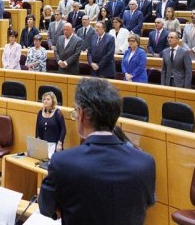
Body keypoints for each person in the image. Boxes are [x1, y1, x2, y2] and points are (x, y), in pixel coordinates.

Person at [39, 78, 155, 224]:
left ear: (81, 114)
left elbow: (46, 208)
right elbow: (146, 204)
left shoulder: (62, 162)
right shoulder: (146, 163)